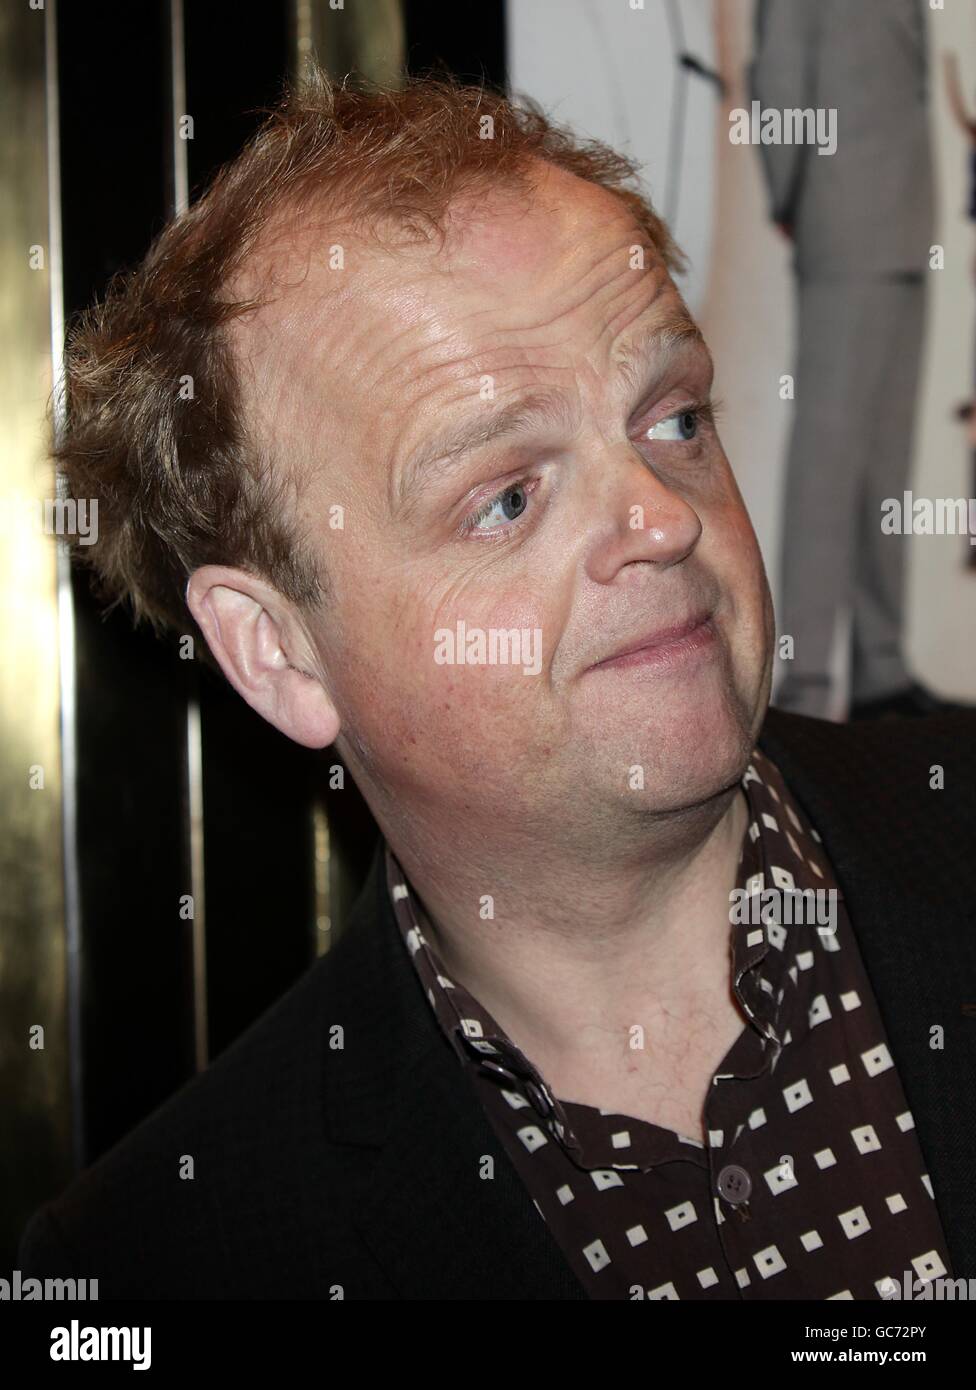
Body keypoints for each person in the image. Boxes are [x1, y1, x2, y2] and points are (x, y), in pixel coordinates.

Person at [18, 67, 976, 1300]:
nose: (656, 519)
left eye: (672, 419)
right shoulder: (163, 1264)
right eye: (507, 496)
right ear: (280, 653)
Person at [749, 0, 969, 719]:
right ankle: (805, 683)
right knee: (828, 461)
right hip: (843, 219)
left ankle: (880, 666)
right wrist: (791, 194)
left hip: (908, 222)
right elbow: (779, 77)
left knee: (887, 456)